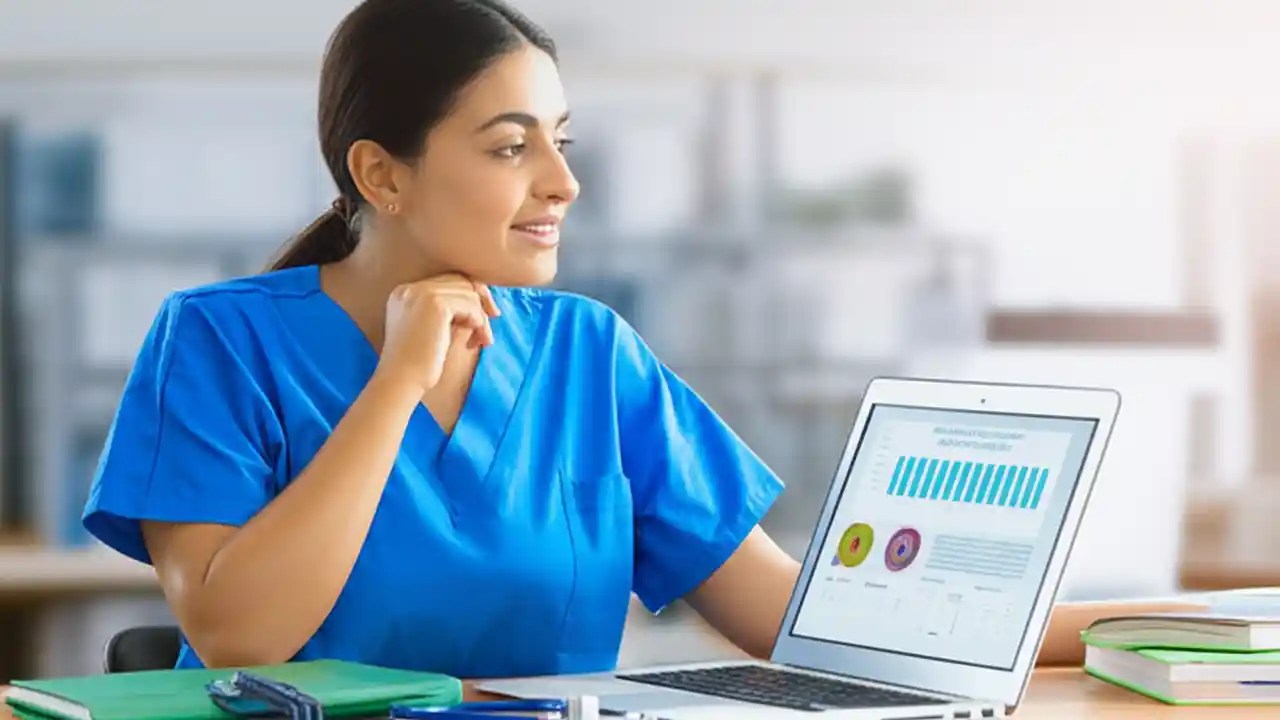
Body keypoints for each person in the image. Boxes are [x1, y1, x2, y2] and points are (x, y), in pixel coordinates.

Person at [82, 0, 1197, 680]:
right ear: (381, 172)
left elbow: (788, 616)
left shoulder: (587, 353)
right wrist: (397, 383)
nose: (562, 183)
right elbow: (238, 636)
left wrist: (1188, 628)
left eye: (559, 143)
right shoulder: (218, 342)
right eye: (510, 147)